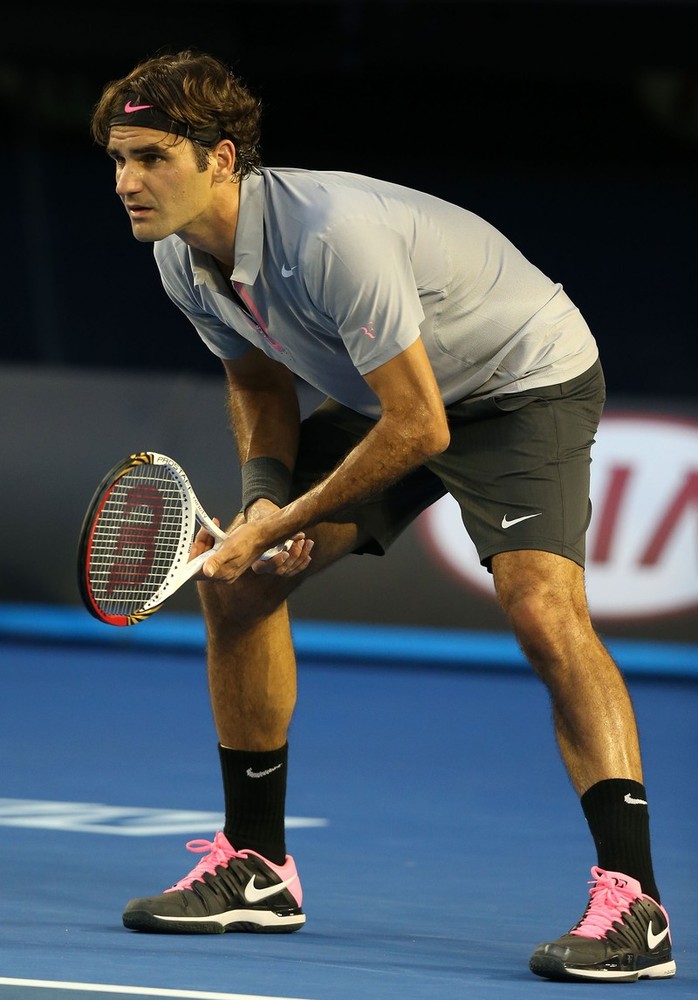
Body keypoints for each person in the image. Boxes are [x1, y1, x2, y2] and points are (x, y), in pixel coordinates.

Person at [90, 48, 675, 983]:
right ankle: (257, 867)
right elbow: (258, 382)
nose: (127, 182)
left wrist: (283, 522)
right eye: (119, 159)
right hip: (394, 396)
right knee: (236, 589)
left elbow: (422, 427)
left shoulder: (330, 235)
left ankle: (635, 905)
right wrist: (265, 500)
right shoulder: (180, 259)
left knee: (543, 610)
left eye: (151, 157)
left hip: (521, 382)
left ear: (222, 158)